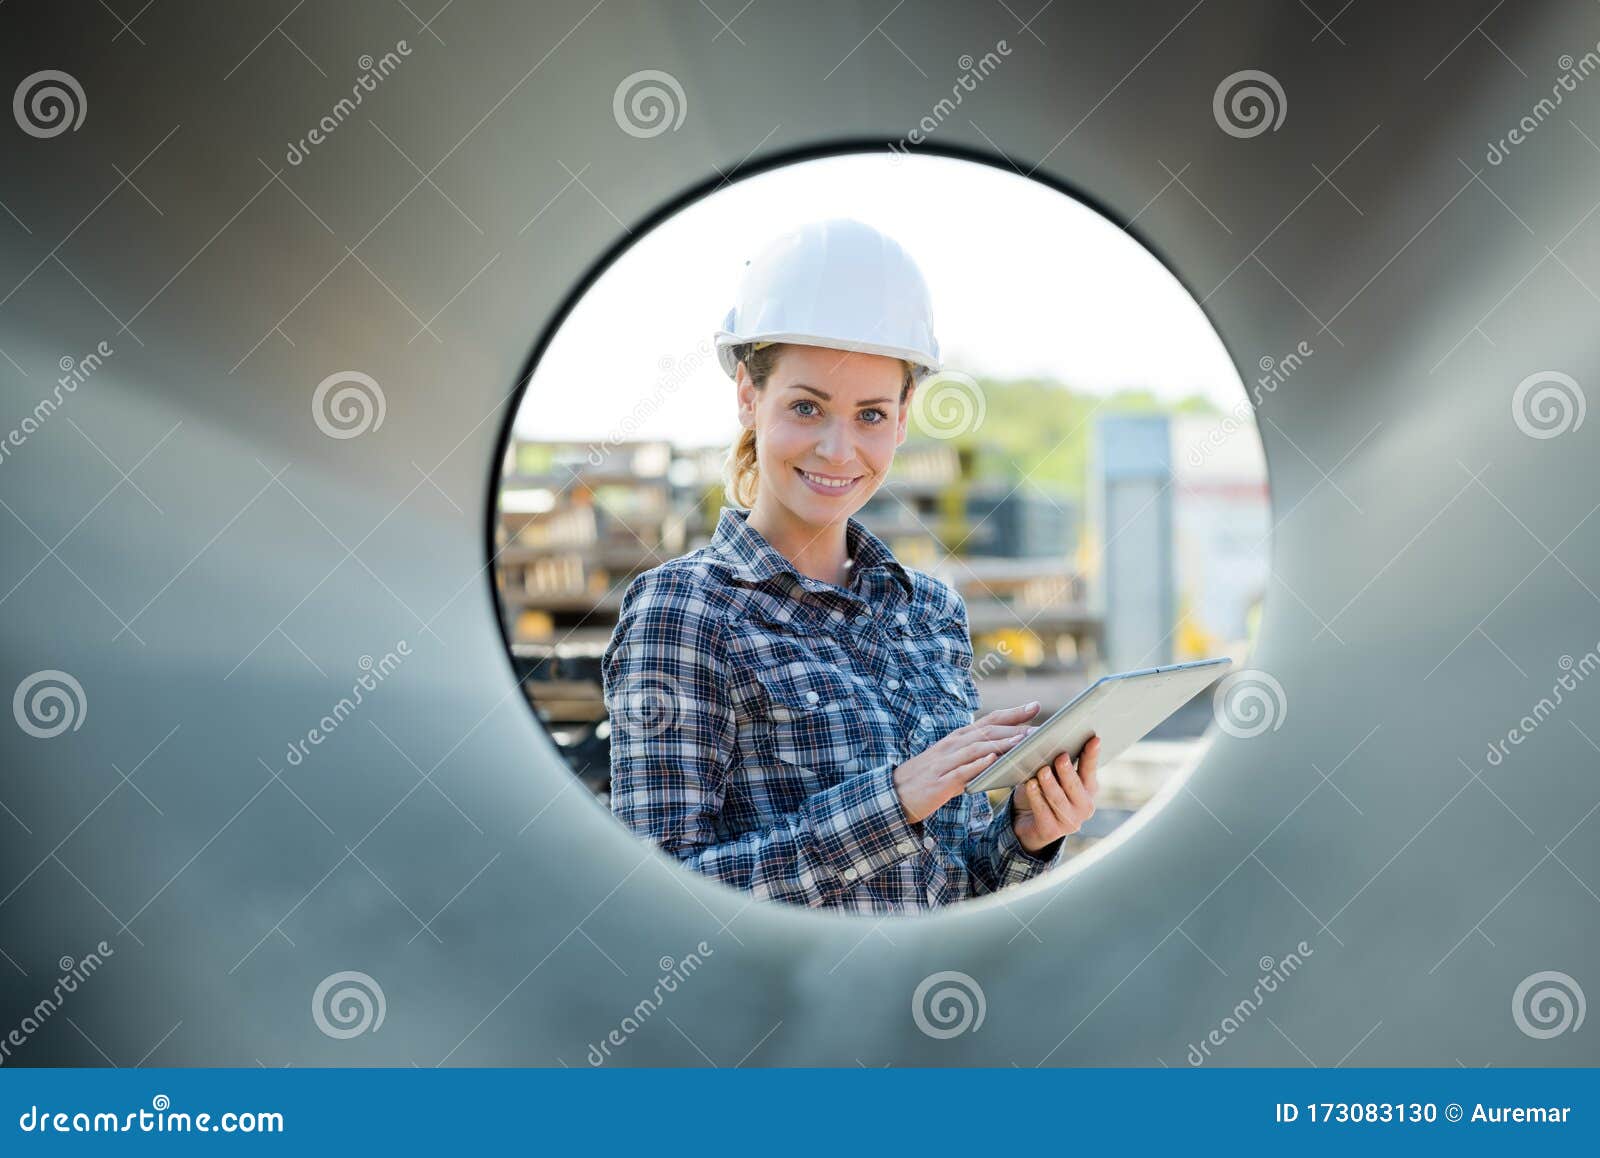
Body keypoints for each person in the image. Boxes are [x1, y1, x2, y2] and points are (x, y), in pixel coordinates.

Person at [601, 218, 1100, 913]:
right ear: (749, 396)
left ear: (902, 419)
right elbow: (654, 898)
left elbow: (954, 886)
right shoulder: (685, 611)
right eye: (807, 407)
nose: (839, 449)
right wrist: (892, 803)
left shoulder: (928, 611)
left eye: (870, 414)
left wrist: (1026, 836)